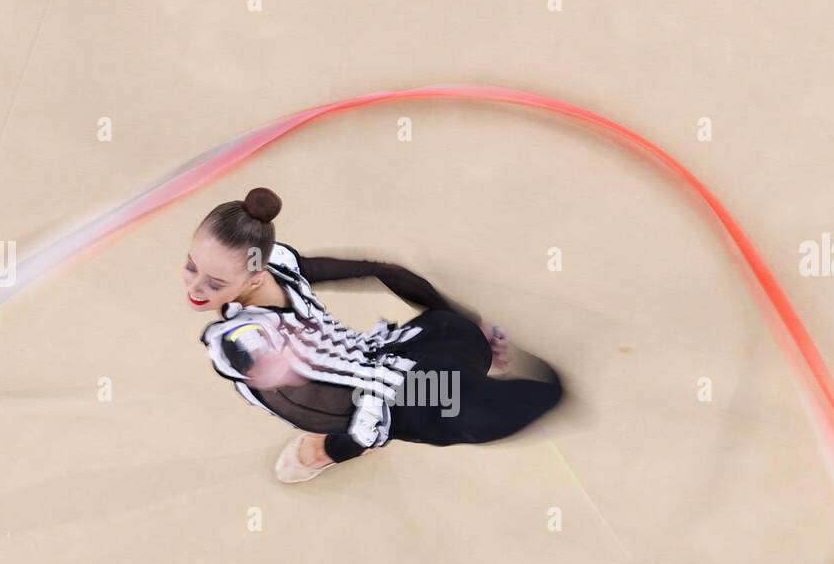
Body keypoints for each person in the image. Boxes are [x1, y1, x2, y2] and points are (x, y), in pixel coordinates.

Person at [187, 187, 564, 482]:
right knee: (458, 350)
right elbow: (383, 271)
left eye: (214, 281)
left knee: (473, 405)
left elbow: (383, 271)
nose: (196, 288)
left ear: (256, 274)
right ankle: (347, 440)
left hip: (393, 386)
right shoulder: (252, 306)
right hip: (393, 362)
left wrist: (469, 321)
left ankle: (336, 448)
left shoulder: (256, 303)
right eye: (192, 266)